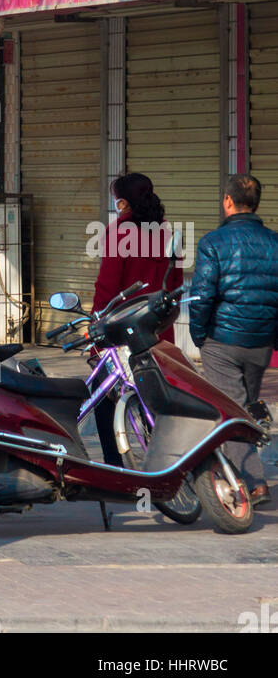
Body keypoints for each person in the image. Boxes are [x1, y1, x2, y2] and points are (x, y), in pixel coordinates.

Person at [189, 174, 278, 506]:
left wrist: (201, 337)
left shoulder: (214, 242)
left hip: (223, 341)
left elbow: (202, 296)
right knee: (245, 410)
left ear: (228, 201)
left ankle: (253, 484)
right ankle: (245, 478)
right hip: (260, 342)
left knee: (233, 413)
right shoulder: (275, 242)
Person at [91, 173, 182, 465]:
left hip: (123, 330)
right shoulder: (168, 231)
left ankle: (115, 467)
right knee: (156, 396)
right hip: (158, 330)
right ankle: (167, 461)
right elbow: (175, 284)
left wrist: (96, 333)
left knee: (103, 393)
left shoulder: (118, 232)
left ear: (123, 201)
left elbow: (106, 287)